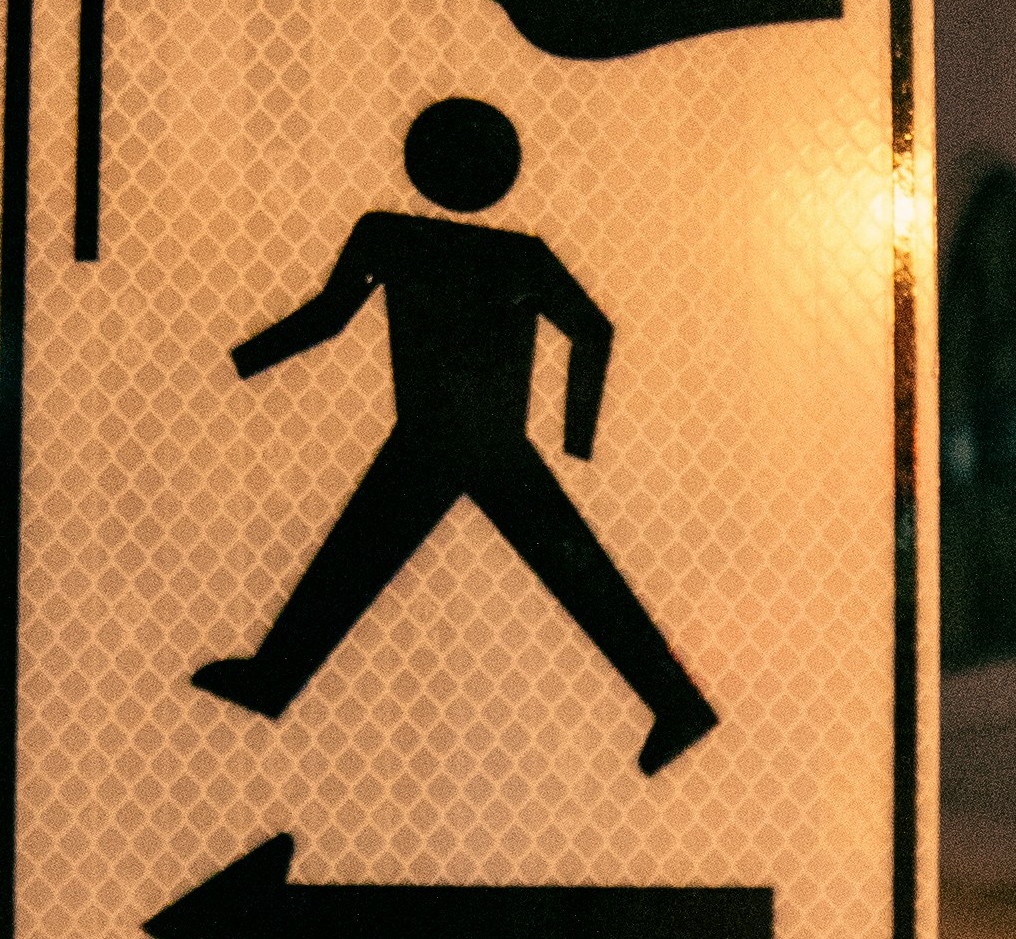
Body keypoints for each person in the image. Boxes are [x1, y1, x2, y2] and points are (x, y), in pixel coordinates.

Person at [190, 99, 717, 774]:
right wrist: (573, 435)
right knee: (560, 574)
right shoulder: (515, 253)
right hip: (475, 443)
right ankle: (677, 704)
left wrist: (238, 362)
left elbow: (326, 318)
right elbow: (593, 330)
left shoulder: (391, 236)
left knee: (368, 562)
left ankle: (272, 679)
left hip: (445, 442)